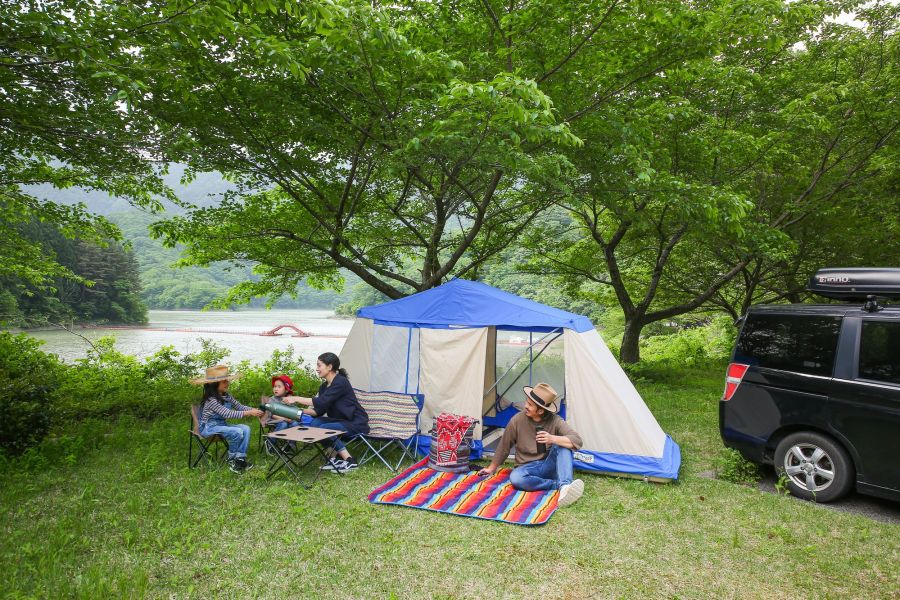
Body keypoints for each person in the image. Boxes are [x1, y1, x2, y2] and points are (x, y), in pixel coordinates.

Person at [477, 382, 585, 507]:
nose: (525, 406)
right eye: (526, 402)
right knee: (516, 478)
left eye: (529, 404)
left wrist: (552, 439)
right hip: (526, 469)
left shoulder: (555, 421)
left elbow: (577, 440)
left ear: (540, 411)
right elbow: (504, 446)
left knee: (563, 445)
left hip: (548, 465)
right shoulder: (517, 420)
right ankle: (557, 485)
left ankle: (565, 485)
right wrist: (491, 468)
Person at [282, 352, 368, 473]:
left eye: (319, 365)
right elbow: (319, 411)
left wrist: (295, 398)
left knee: (325, 428)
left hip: (355, 422)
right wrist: (298, 410)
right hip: (340, 421)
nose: (316, 369)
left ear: (329, 366)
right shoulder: (323, 387)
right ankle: (335, 459)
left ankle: (350, 460)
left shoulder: (340, 382)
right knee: (315, 423)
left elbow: (321, 401)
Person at [192, 364, 264, 474]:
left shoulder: (227, 396)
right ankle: (232, 460)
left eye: (227, 380)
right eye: (224, 381)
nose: (227, 383)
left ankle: (240, 459)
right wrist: (249, 413)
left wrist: (254, 410)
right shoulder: (211, 400)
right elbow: (228, 414)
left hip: (221, 426)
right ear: (214, 384)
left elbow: (239, 407)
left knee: (245, 428)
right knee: (237, 431)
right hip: (208, 428)